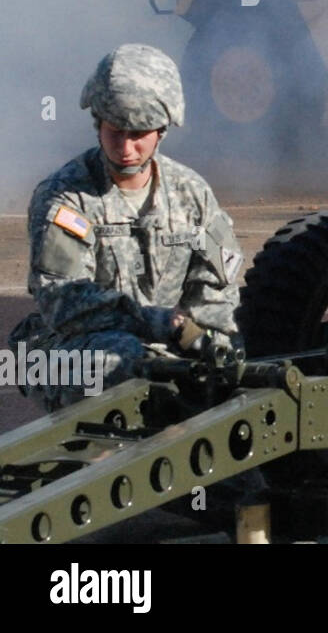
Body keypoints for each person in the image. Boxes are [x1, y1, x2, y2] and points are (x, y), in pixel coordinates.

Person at [8, 44, 244, 410]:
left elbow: (217, 290)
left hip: (168, 344)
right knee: (123, 357)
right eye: (115, 131)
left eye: (140, 134)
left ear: (162, 131)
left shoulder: (191, 193)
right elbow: (66, 304)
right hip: (71, 349)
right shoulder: (66, 197)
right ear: (98, 123)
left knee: (231, 359)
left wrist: (204, 337)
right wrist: (162, 324)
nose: (126, 147)